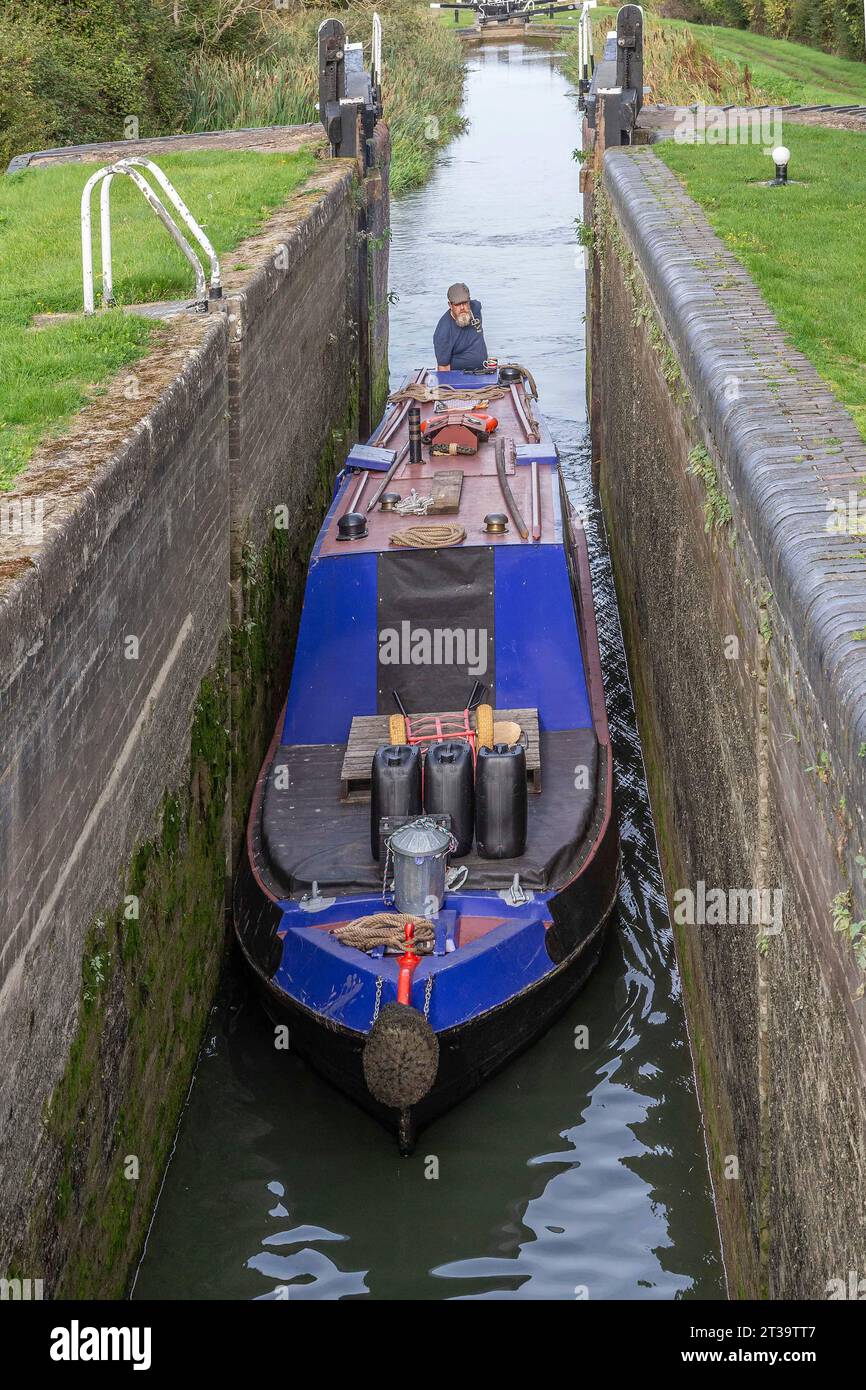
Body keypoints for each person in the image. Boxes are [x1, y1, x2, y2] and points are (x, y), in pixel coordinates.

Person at [433, 282, 489, 372]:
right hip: (459, 376)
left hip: (483, 371)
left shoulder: (476, 308)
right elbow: (443, 367)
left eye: (464, 303)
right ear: (450, 305)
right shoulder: (443, 332)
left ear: (469, 301)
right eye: (457, 304)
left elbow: (477, 304)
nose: (462, 308)